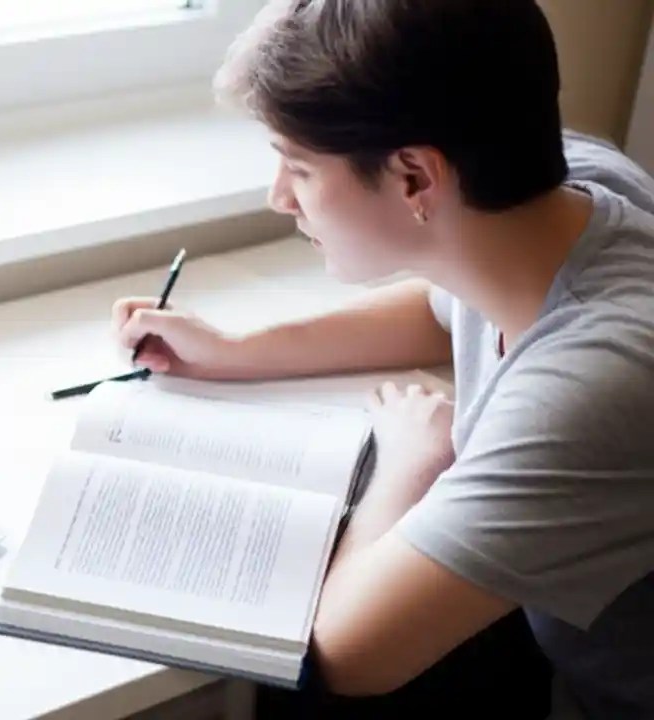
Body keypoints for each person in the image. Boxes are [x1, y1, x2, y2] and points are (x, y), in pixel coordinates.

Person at [111, 1, 654, 718]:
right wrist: (237, 352)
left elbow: (348, 653)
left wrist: (413, 462)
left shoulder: (594, 381)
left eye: (297, 168)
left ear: (415, 179)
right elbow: (443, 306)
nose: (279, 198)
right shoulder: (565, 190)